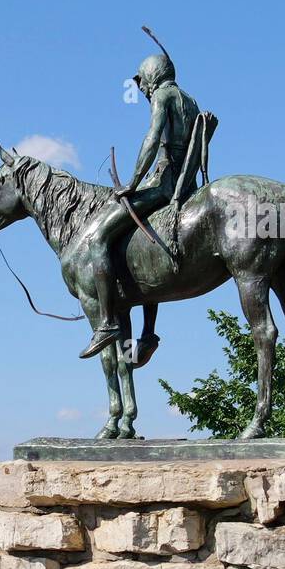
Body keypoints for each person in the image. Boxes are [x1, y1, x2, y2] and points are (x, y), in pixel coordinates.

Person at [79, 46, 202, 359]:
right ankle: (148, 333)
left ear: (153, 74)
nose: (142, 89)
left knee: (98, 238)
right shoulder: (190, 99)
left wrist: (133, 182)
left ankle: (107, 323)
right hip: (186, 185)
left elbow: (152, 138)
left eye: (143, 82)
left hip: (163, 185)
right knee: (141, 243)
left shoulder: (163, 96)